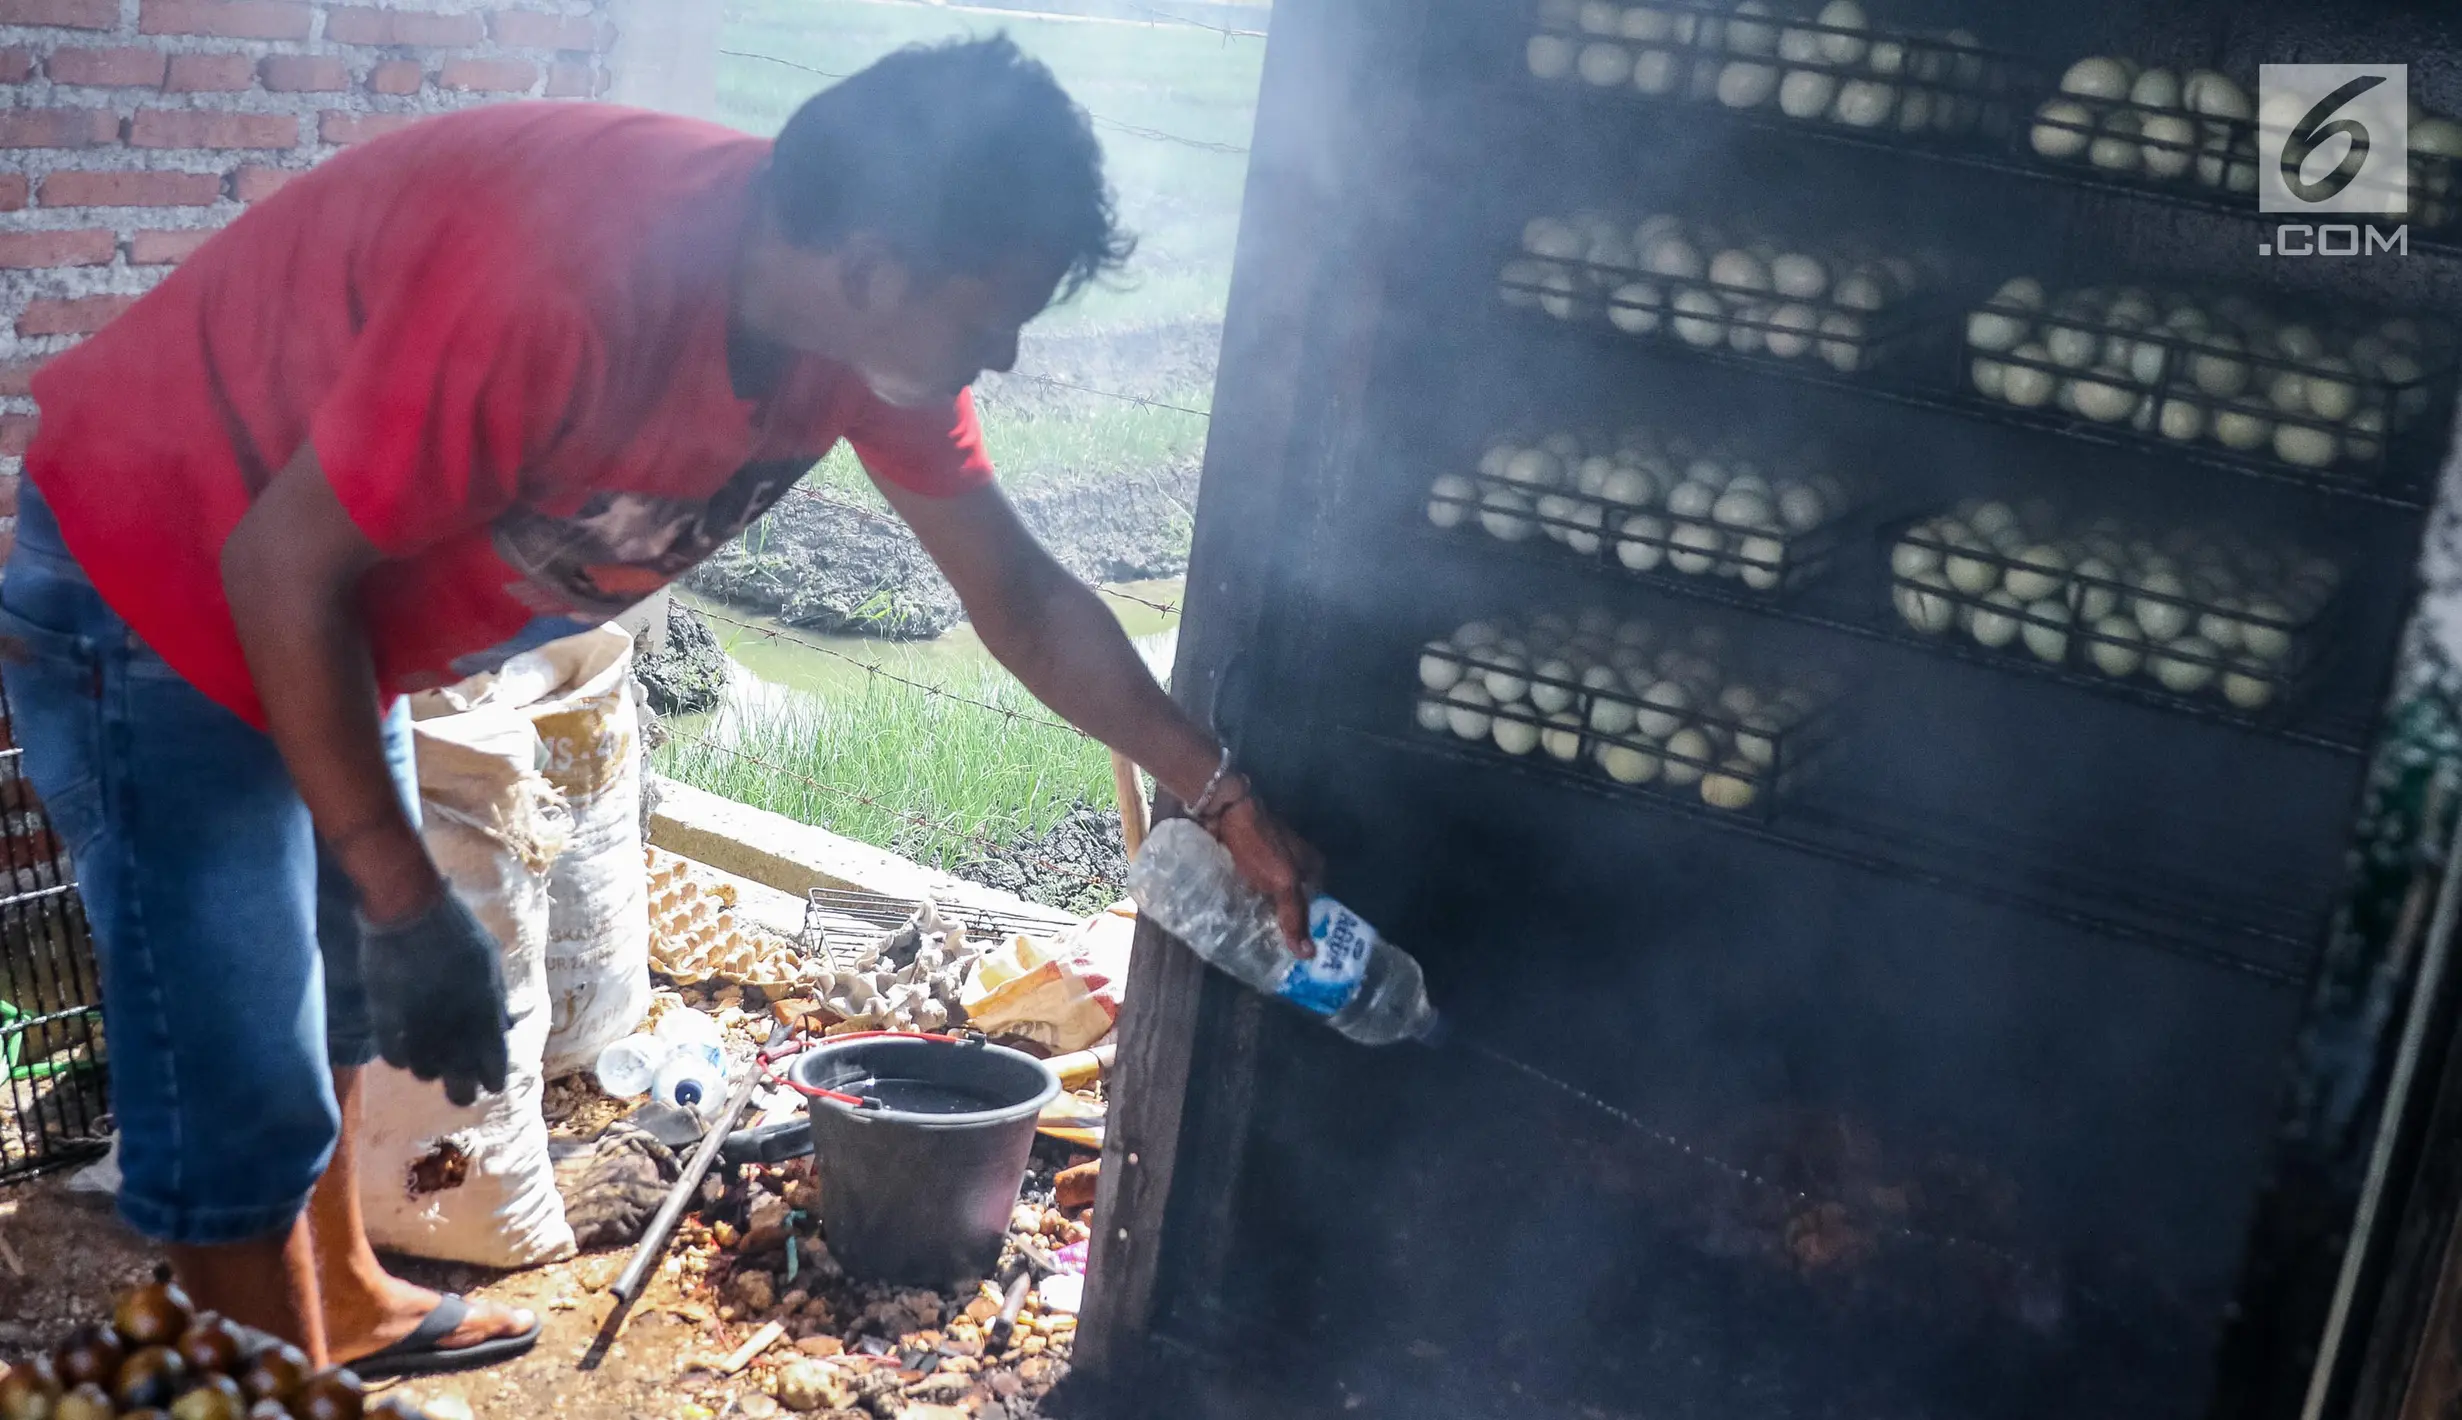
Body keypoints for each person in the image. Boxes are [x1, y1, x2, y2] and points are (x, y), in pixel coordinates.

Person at [6, 36, 1318, 1375]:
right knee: (240, 1049)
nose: (1009, 354)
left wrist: (1211, 790)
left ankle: (337, 1296)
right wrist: (402, 892)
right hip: (162, 570)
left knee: (344, 993)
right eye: (992, 316)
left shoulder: (851, 338)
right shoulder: (567, 285)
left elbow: (1020, 597)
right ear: (868, 266)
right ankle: (258, 1377)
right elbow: (276, 566)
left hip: (324, 608)